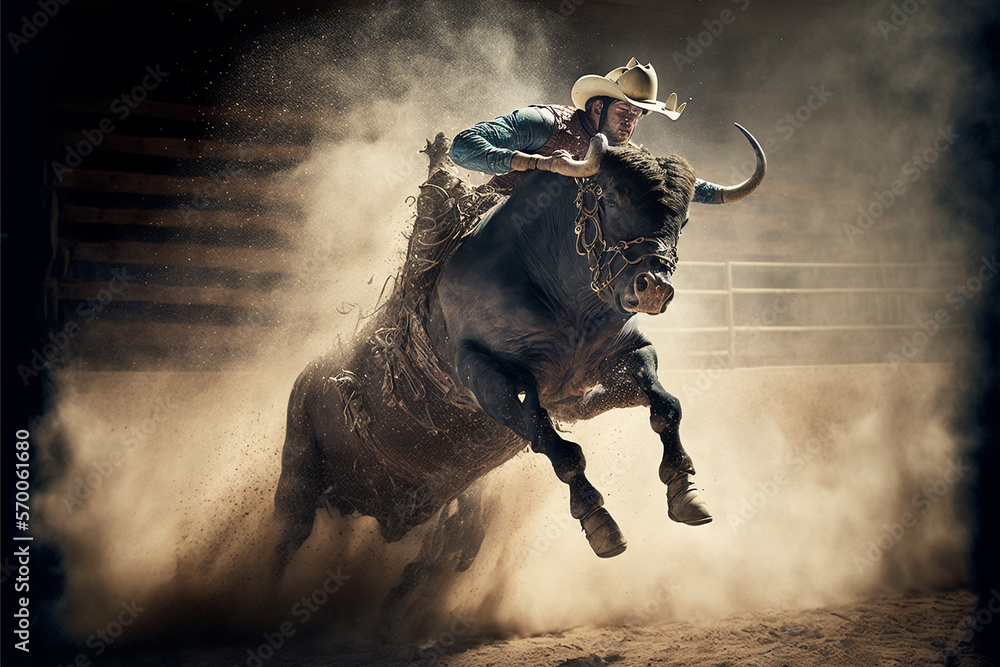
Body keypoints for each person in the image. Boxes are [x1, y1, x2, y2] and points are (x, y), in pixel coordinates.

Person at [449, 57, 723, 203]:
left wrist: (713, 192)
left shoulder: (622, 158)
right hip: (493, 227)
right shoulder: (544, 123)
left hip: (559, 255)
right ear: (597, 108)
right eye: (623, 111)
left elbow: (663, 185)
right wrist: (540, 163)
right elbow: (462, 147)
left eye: (636, 114)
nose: (630, 122)